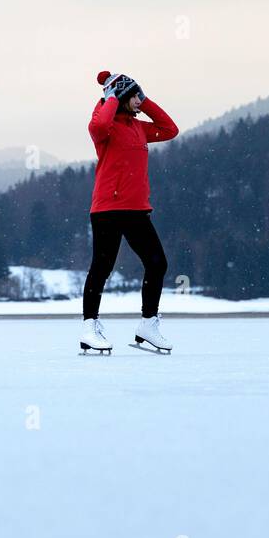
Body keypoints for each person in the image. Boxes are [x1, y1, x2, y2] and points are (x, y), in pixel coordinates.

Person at [79, 70, 179, 354]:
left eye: (140, 95)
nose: (139, 100)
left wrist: (144, 101)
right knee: (102, 267)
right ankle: (89, 327)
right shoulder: (106, 128)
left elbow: (170, 129)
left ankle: (148, 324)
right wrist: (110, 97)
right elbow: (97, 127)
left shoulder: (139, 128)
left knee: (157, 263)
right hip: (108, 209)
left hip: (137, 209)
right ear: (121, 97)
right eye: (134, 96)